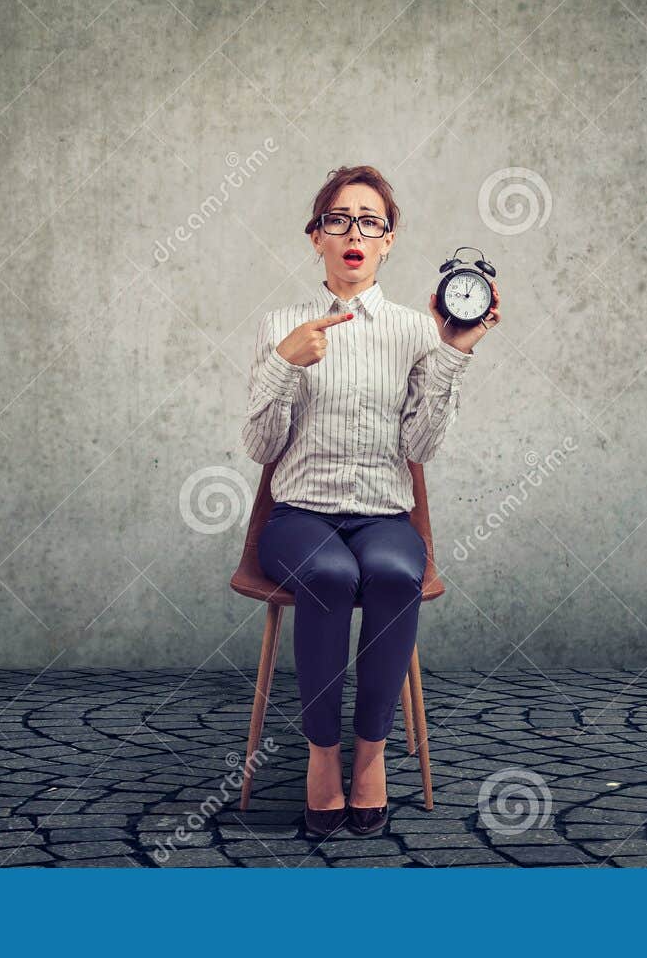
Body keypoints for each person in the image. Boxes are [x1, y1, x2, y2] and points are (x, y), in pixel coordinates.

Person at [240, 164, 499, 838]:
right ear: (315, 237)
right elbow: (261, 445)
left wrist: (452, 353)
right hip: (298, 518)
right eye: (338, 219)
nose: (354, 232)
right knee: (330, 574)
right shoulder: (282, 322)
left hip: (385, 515)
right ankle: (321, 757)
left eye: (370, 221)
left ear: (388, 241)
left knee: (391, 571)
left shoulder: (416, 329)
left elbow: (421, 443)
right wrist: (285, 363)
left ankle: (371, 755)